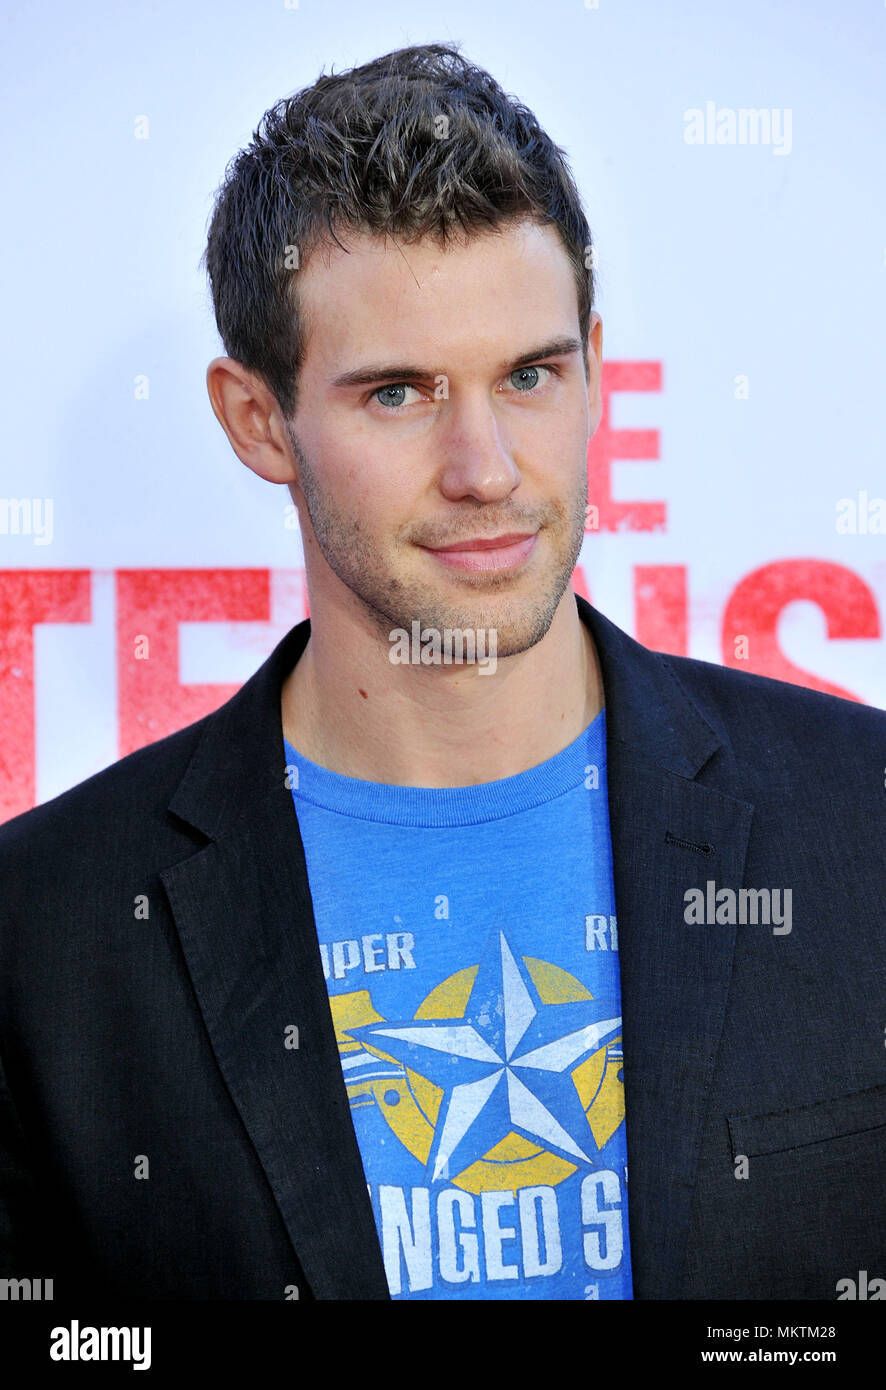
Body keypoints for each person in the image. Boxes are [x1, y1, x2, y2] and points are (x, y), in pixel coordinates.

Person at [1, 41, 884, 1303]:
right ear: (258, 421)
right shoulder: (49, 935)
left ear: (591, 367)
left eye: (529, 376)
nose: (486, 468)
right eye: (400, 393)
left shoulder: (862, 817)